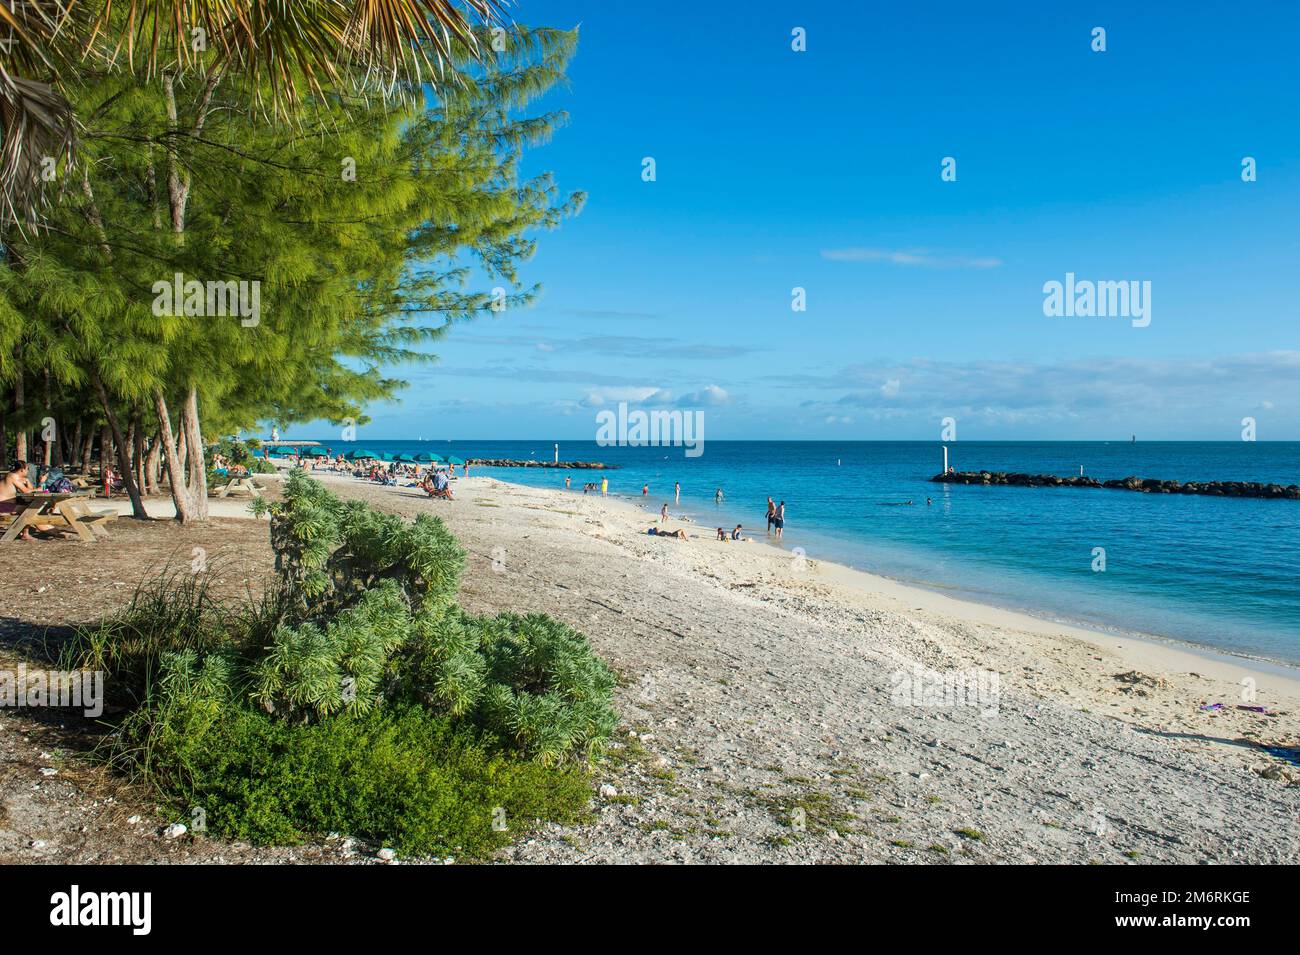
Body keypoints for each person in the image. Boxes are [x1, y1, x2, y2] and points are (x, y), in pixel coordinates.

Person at [0, 461, 57, 540]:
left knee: (29, 509)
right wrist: (40, 488)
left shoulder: (16, 477)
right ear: (22, 470)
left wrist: (27, 481)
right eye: (27, 469)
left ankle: (51, 531)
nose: (28, 471)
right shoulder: (12, 477)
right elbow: (26, 491)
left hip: (8, 505)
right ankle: (25, 534)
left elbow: (30, 490)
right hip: (3, 506)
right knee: (28, 510)